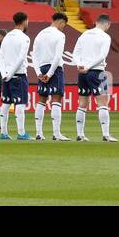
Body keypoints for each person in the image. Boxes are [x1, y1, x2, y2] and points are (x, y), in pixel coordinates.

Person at [73, 15, 117, 142]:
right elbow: (102, 55)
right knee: (103, 103)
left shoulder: (84, 34)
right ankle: (106, 134)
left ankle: (80, 134)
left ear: (96, 23)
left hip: (82, 73)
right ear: (107, 24)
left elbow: (76, 52)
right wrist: (88, 66)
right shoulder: (105, 37)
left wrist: (80, 65)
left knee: (82, 104)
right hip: (98, 72)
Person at [32, 11, 70, 141]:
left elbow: (34, 55)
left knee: (41, 100)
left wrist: (39, 73)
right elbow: (58, 56)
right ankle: (56, 133)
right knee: (56, 99)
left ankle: (38, 132)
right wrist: (50, 73)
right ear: (61, 22)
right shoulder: (60, 35)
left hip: (41, 68)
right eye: (63, 25)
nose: (63, 27)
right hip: (55, 69)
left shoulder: (40, 34)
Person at [0, 13, 32, 141]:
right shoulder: (25, 38)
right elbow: (21, 58)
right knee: (20, 104)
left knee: (5, 103)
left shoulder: (7, 37)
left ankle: (3, 133)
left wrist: (4, 74)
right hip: (18, 75)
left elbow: (0, 57)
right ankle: (21, 133)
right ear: (25, 21)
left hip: (6, 75)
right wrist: (10, 73)